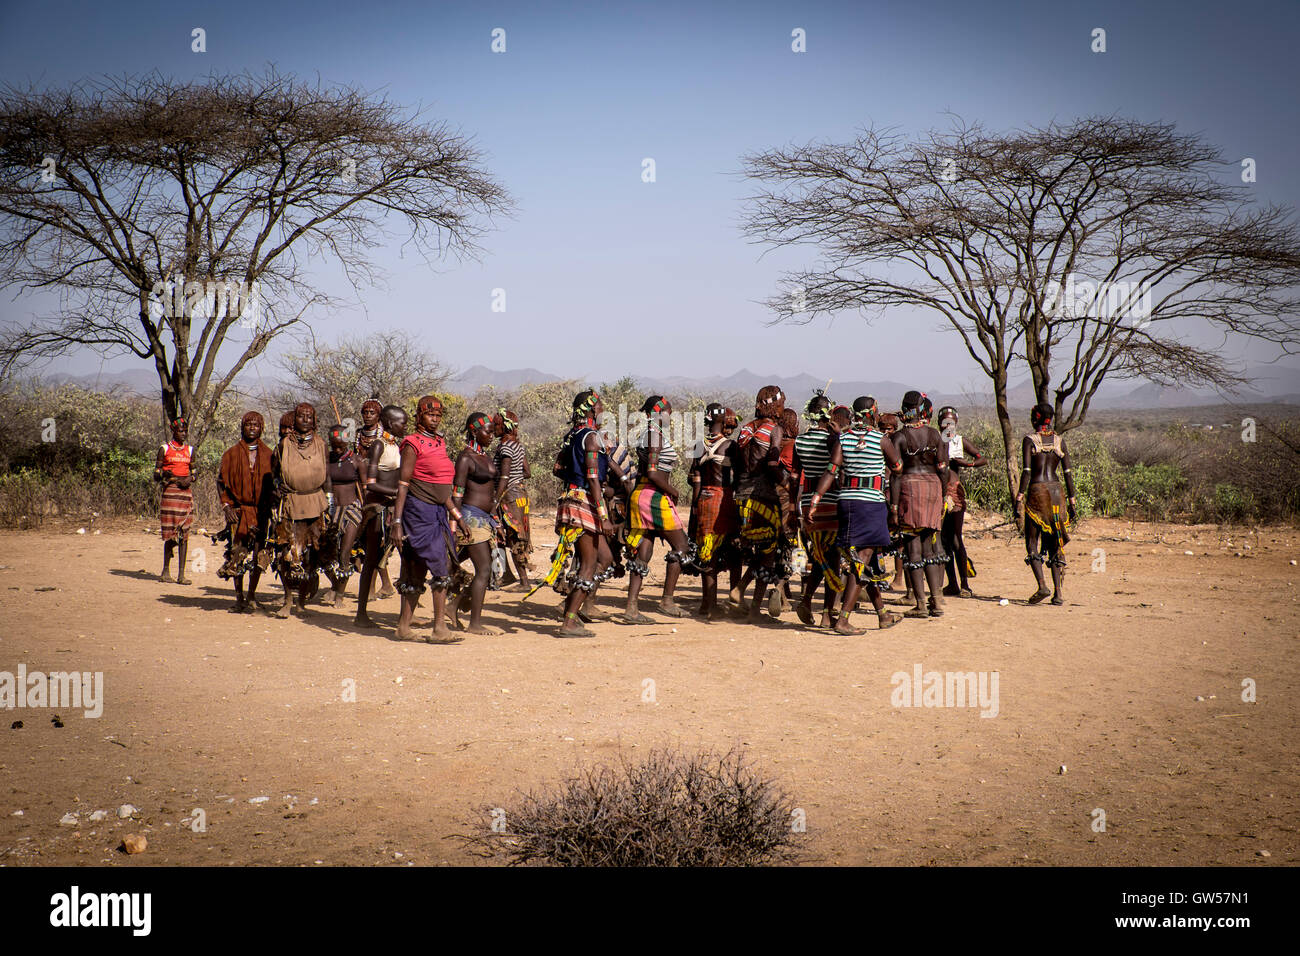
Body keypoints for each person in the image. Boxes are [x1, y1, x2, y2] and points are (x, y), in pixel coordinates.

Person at [809, 396, 903, 632]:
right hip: (871, 505)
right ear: (872, 414)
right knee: (861, 559)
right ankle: (842, 619)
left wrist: (816, 498)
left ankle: (882, 615)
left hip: (846, 503)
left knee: (861, 559)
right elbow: (898, 467)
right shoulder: (880, 439)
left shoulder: (844, 438)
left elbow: (831, 470)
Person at [553, 390, 626, 638]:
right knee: (588, 563)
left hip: (576, 499)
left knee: (604, 559)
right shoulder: (592, 437)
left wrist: (576, 479)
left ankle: (571, 607)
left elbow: (557, 468)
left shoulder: (573, 435)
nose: (604, 407)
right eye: (600, 403)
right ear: (592, 409)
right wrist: (604, 516)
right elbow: (594, 480)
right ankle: (569, 621)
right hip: (583, 503)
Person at [621, 396, 698, 624]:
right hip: (653, 497)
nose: (670, 416)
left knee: (643, 553)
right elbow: (654, 473)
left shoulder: (648, 434)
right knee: (682, 546)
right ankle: (667, 601)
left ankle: (631, 607)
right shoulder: (654, 435)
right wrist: (673, 491)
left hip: (641, 495)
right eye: (667, 412)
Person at [392, 396, 462, 643]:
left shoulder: (439, 442)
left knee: (418, 568)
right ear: (419, 416)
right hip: (417, 512)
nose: (435, 419)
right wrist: (397, 522)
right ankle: (439, 628)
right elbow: (403, 484)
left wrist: (457, 515)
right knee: (440, 567)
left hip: (437, 513)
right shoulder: (411, 444)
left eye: (438, 415)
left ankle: (403, 627)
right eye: (430, 415)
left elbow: (442, 488)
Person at [268, 402, 333, 618]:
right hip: (291, 503)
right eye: (301, 416)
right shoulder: (284, 444)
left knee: (311, 555)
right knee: (288, 553)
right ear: (294, 419)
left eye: (309, 416)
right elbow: (274, 473)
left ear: (314, 420)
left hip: (315, 503)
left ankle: (302, 602)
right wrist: (278, 486)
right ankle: (287, 599)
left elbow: (328, 475)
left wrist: (329, 501)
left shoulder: (321, 444)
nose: (305, 420)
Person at [888, 391, 949, 618]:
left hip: (909, 489)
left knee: (913, 548)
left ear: (904, 409)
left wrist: (893, 508)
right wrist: (942, 497)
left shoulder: (900, 437)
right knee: (929, 547)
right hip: (933, 488)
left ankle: (921, 604)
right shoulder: (935, 435)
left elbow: (895, 475)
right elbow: (943, 469)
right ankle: (936, 602)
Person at [733, 385, 789, 625]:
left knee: (761, 549)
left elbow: (737, 464)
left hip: (741, 496)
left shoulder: (745, 429)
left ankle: (740, 588)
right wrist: (788, 484)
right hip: (762, 496)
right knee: (768, 553)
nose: (783, 408)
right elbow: (772, 466)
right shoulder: (773, 429)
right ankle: (755, 609)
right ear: (775, 405)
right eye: (782, 403)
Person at [1014, 403, 1077, 605]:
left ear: (1035, 418)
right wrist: (1072, 498)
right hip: (1057, 492)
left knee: (1032, 542)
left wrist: (1019, 496)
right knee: (1055, 540)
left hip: (1038, 491)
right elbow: (1067, 473)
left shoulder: (1029, 440)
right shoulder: (1060, 441)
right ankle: (1058, 593)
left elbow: (1026, 471)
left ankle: (1042, 585)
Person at [792, 392, 843, 628]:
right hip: (830, 500)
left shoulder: (800, 441)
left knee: (821, 555)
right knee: (831, 558)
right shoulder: (833, 441)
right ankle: (826, 613)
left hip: (806, 502)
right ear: (828, 414)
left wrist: (796, 505)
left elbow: (795, 477)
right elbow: (837, 470)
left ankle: (807, 600)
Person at [450, 412, 504, 635]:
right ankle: (474, 624)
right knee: (483, 569)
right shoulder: (466, 458)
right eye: (488, 432)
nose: (491, 436)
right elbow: (457, 493)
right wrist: (456, 521)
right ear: (474, 431)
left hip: (485, 519)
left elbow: (489, 491)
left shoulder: (485, 456)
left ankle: (452, 606)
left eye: (492, 432)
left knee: (485, 569)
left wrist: (496, 518)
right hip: (470, 518)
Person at [353, 405, 405, 629]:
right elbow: (371, 483)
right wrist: (396, 493)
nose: (405, 426)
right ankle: (361, 613)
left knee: (408, 559)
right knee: (372, 559)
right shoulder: (378, 445)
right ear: (390, 423)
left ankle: (406, 615)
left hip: (397, 508)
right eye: (401, 422)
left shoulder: (398, 446)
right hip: (379, 508)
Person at [216, 411, 273, 612]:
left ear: (262, 428)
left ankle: (251, 595)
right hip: (238, 513)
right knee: (237, 554)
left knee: (259, 555)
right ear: (242, 426)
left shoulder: (269, 454)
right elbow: (221, 483)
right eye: (248, 424)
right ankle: (239, 597)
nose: (252, 428)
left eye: (256, 425)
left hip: (261, 513)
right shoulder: (231, 454)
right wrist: (226, 507)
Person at [688, 403, 740, 622]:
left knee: (708, 551)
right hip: (725, 500)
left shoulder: (699, 445)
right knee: (735, 549)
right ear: (723, 422)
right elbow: (739, 478)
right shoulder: (730, 446)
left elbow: (695, 480)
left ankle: (706, 604)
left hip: (704, 501)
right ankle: (733, 601)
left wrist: (695, 506)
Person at [936, 406, 986, 598]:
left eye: (951, 423)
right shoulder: (936, 440)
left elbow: (982, 459)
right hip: (939, 494)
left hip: (955, 493)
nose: (948, 426)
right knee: (944, 540)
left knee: (956, 539)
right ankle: (953, 584)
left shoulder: (960, 441)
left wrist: (968, 463)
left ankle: (965, 584)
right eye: (945, 423)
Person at [319, 424, 361, 607]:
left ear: (347, 442)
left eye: (341, 446)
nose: (337, 449)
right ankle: (335, 585)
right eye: (334, 445)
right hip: (329, 511)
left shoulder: (356, 461)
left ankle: (340, 596)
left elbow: (365, 488)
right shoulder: (325, 460)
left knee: (344, 554)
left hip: (352, 510)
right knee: (326, 554)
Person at [491, 409, 533, 592]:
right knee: (505, 536)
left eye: (496, 425)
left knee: (514, 536)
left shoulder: (506, 448)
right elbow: (527, 472)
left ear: (505, 426)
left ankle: (524, 582)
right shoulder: (518, 446)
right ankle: (507, 575)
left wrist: (495, 499)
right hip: (520, 494)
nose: (493, 428)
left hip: (508, 496)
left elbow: (504, 477)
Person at [154, 416, 196, 585]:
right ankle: (165, 571)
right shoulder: (164, 449)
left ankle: (181, 575)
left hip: (185, 494)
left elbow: (194, 472)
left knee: (184, 533)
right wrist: (167, 475)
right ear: (173, 431)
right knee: (171, 533)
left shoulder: (190, 450)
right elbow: (156, 475)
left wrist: (189, 479)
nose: (184, 433)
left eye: (185, 431)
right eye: (180, 431)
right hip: (170, 494)